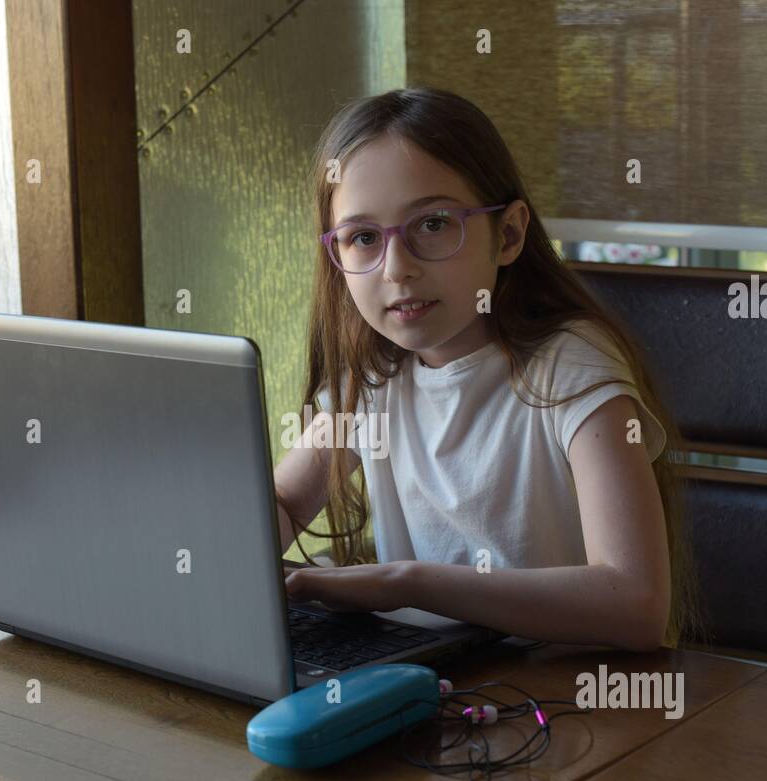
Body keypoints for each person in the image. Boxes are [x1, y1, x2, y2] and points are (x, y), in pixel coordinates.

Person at [274, 87, 704, 652]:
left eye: (432, 224)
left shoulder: (569, 369)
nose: (397, 269)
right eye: (362, 238)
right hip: (441, 694)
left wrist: (410, 583)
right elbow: (279, 507)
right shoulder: (372, 377)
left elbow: (637, 603)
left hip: (574, 706)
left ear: (508, 235)